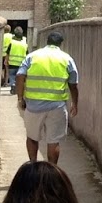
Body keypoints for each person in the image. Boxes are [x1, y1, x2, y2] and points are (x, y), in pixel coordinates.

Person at [16, 30, 77, 165]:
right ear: (60, 44)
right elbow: (73, 85)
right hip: (57, 107)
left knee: (32, 137)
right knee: (53, 141)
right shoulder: (67, 59)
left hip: (33, 106)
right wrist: (75, 103)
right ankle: (52, 169)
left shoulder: (32, 56)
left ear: (47, 42)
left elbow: (20, 75)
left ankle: (33, 166)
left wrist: (20, 98)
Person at [4, 26, 28, 94]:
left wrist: (6, 60)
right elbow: (27, 55)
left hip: (12, 63)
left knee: (12, 75)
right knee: (19, 77)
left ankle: (13, 85)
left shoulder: (12, 43)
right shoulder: (25, 45)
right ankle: (17, 87)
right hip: (21, 64)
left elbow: (8, 53)